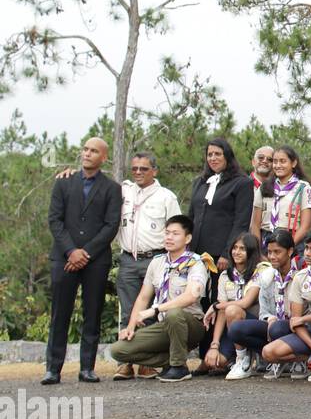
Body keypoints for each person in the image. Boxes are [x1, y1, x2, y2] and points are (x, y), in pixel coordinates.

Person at [44, 136, 123, 384]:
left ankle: (87, 368)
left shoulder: (112, 188)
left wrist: (85, 253)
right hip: (64, 258)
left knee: (93, 313)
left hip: (95, 260)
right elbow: (54, 220)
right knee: (60, 314)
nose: (87, 154)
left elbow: (111, 226)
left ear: (103, 157)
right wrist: (71, 251)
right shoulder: (63, 183)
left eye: (93, 151)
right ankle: (52, 369)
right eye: (85, 149)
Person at [107, 215, 208, 384]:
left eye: (175, 234)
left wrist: (155, 310)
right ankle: (170, 361)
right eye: (167, 233)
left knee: (174, 314)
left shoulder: (195, 262)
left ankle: (179, 367)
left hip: (190, 324)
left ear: (187, 238)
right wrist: (131, 327)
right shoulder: (157, 262)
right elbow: (143, 297)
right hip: (165, 325)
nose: (169, 237)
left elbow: (191, 296)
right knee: (118, 350)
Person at [261, 227, 311, 382]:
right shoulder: (300, 277)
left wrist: (304, 319)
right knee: (268, 353)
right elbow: (295, 320)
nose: (308, 253)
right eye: (307, 248)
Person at [115, 151, 181, 329]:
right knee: (128, 313)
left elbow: (178, 231)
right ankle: (126, 356)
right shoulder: (124, 191)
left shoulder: (166, 197)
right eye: (134, 168)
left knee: (152, 313)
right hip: (128, 260)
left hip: (156, 259)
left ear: (155, 171)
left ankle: (149, 356)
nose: (138, 172)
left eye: (143, 169)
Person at [225, 230, 298, 379]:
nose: (272, 256)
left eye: (277, 252)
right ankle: (246, 362)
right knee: (236, 330)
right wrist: (270, 318)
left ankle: (298, 360)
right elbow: (263, 312)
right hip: (273, 327)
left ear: (290, 251)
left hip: (296, 326)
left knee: (278, 328)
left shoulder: (301, 274)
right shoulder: (266, 276)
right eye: (269, 252)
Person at [194, 232, 265, 378]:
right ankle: (233, 358)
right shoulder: (225, 275)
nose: (236, 252)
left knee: (233, 309)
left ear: (251, 252)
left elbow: (245, 303)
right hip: (231, 326)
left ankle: (242, 360)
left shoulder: (259, 272)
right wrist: (214, 345)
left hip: (256, 324)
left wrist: (215, 306)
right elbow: (221, 312)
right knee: (214, 362)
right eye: (235, 248)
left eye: (242, 249)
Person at [187, 137, 254, 275]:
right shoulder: (200, 182)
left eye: (218, 154)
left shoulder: (242, 183)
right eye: (209, 154)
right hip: (195, 253)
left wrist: (227, 253)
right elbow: (191, 216)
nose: (213, 158)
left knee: (218, 295)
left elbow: (241, 222)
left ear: (227, 156)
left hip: (220, 255)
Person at [251, 146, 311, 251]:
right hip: (266, 240)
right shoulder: (264, 187)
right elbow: (255, 224)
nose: (278, 165)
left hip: (291, 239)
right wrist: (258, 252)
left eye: (283, 161)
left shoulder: (303, 187)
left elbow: (305, 225)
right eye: (275, 162)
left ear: (293, 163)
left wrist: (288, 247)